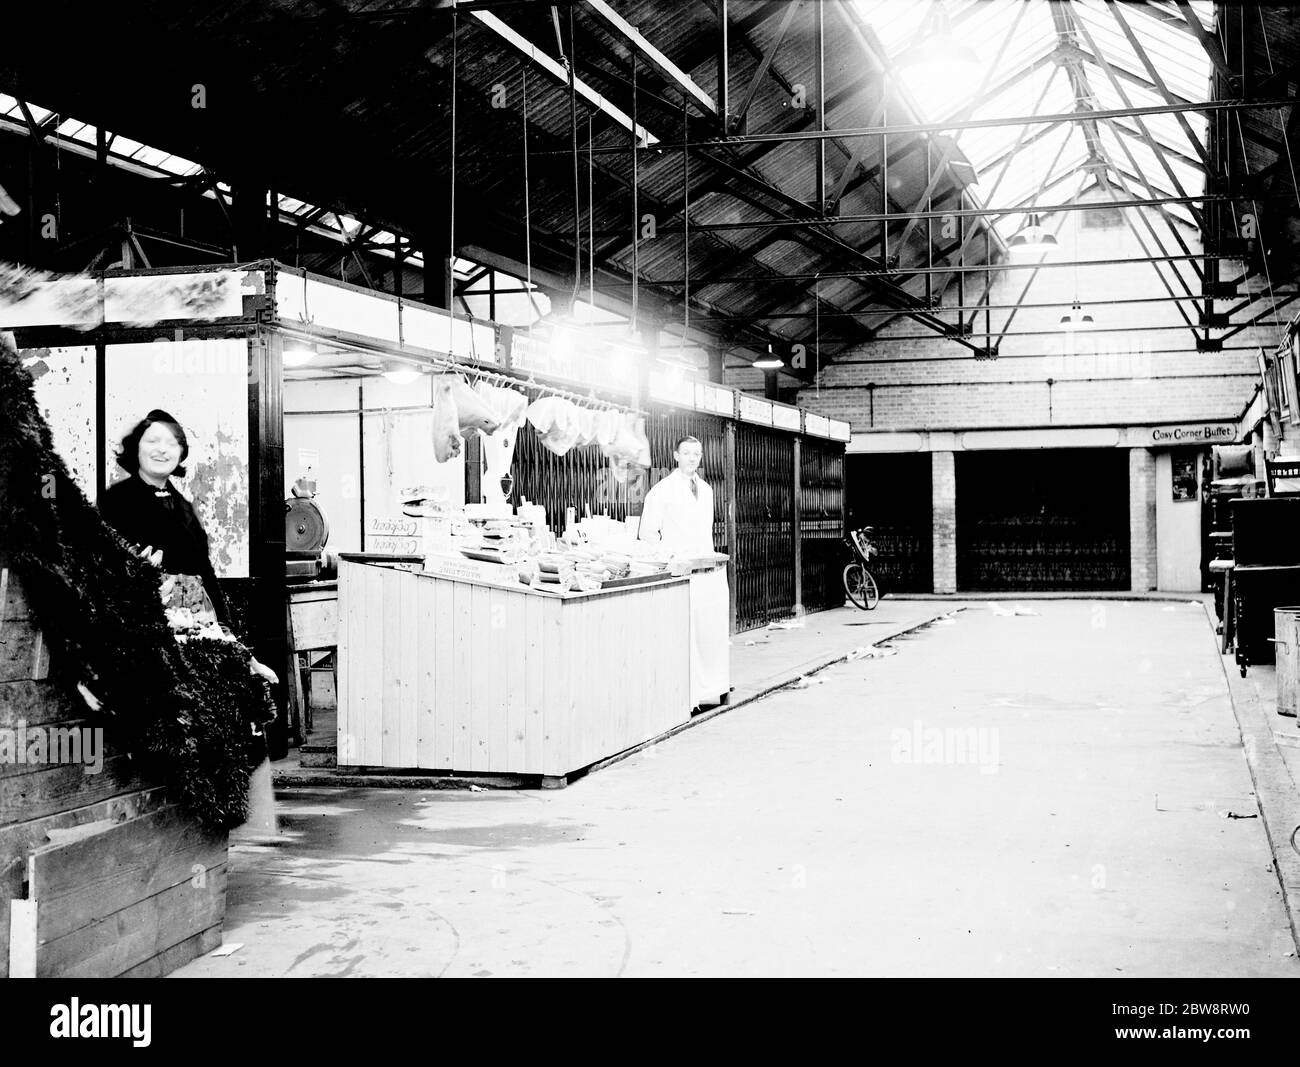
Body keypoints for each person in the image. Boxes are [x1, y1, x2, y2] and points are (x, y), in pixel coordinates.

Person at [100, 409, 277, 685]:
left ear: (181, 453)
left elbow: (206, 576)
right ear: (136, 448)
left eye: (172, 444)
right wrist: (137, 571)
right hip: (143, 635)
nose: (162, 450)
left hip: (197, 629)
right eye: (152, 441)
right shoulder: (115, 503)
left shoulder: (184, 507)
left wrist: (243, 653)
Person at [638, 435, 729, 708]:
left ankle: (713, 687)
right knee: (686, 635)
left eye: (697, 454)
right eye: (687, 453)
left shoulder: (707, 490)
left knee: (709, 632)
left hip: (707, 571)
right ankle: (688, 695)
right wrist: (670, 556)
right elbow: (647, 533)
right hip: (681, 571)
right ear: (675, 456)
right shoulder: (662, 490)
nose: (692, 458)